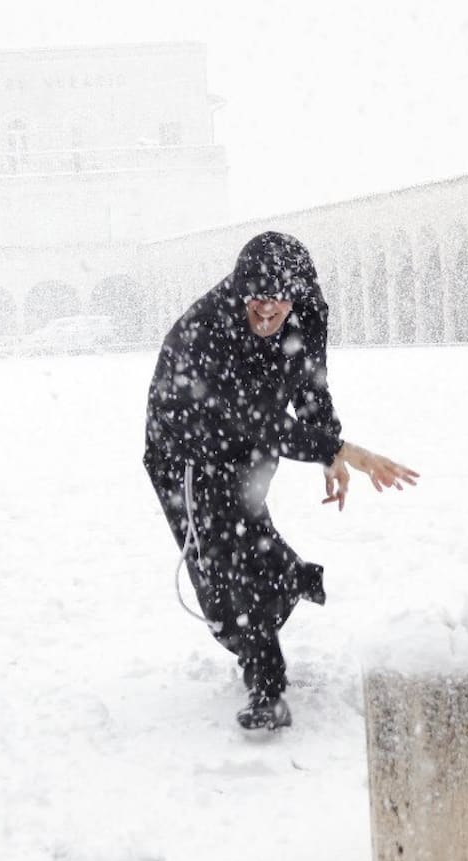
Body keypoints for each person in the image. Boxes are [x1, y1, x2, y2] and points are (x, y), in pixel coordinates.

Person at [142, 230, 418, 732]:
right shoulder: (205, 330)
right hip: (185, 450)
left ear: (297, 295)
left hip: (252, 444)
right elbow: (254, 418)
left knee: (234, 555)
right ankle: (289, 577)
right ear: (241, 291)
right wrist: (338, 450)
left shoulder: (307, 312)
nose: (267, 311)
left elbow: (310, 386)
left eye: (278, 300)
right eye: (256, 300)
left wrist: (328, 451)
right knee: (220, 594)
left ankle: (267, 688)